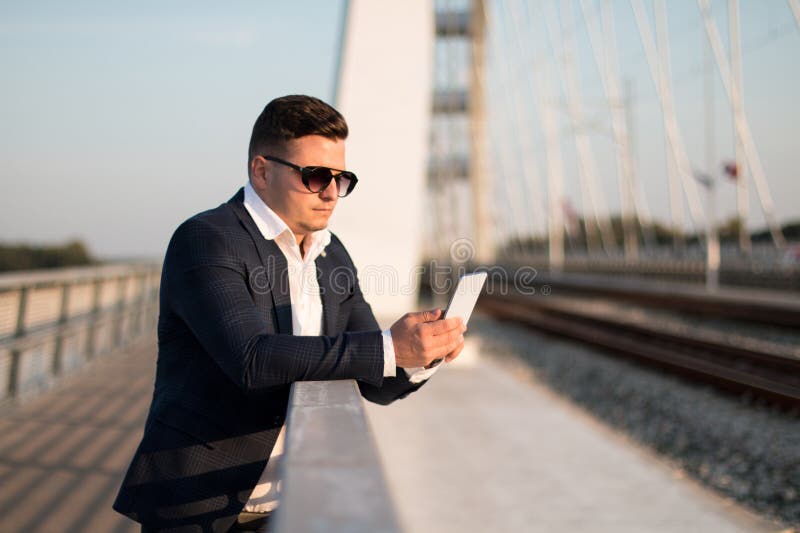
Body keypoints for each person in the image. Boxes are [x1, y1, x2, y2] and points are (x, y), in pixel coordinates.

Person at [113, 94, 466, 532]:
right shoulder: (205, 239)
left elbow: (376, 379)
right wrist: (389, 347)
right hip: (199, 505)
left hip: (294, 501)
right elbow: (252, 358)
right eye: (316, 176)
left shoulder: (332, 253)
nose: (331, 193)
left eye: (342, 179)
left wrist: (423, 354)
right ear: (261, 171)